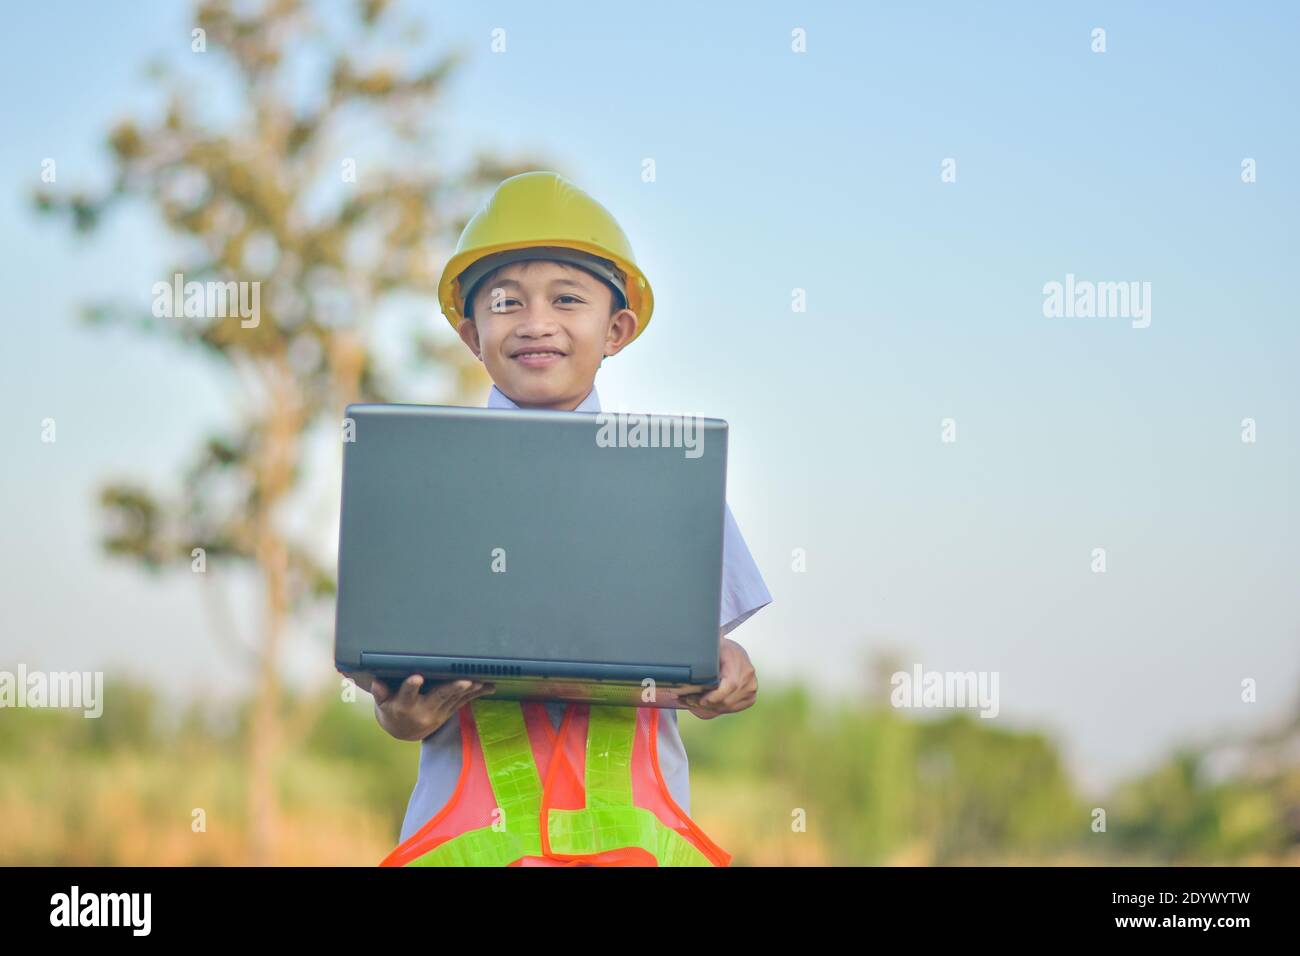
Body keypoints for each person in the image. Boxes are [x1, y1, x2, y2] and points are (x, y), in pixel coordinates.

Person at [370, 171, 771, 866]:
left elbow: (713, 658)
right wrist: (397, 717)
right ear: (472, 333)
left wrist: (731, 675)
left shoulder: (670, 478)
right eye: (505, 302)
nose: (535, 322)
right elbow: (388, 674)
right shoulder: (427, 484)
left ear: (615, 329)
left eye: (566, 298)